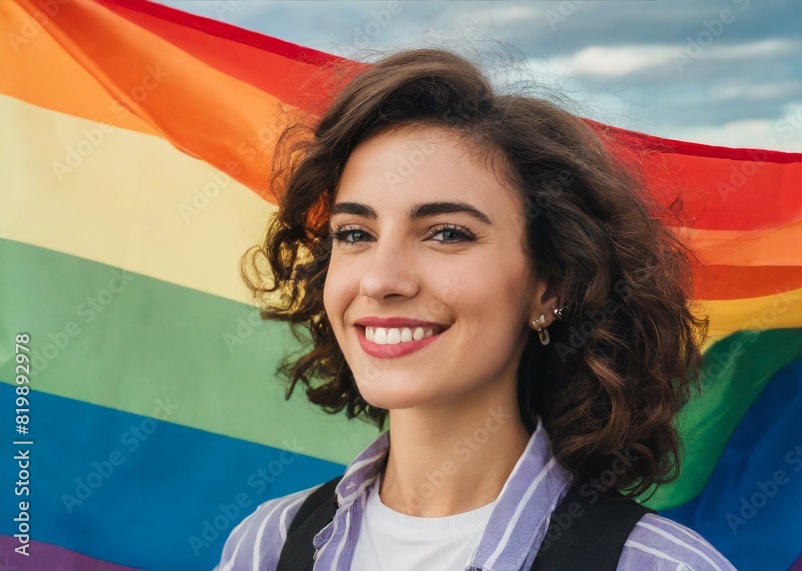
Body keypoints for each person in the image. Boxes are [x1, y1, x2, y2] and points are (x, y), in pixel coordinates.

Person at [215, 47, 737, 571]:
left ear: (550, 287)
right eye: (355, 234)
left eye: (446, 234)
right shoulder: (265, 546)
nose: (379, 280)